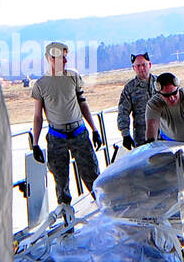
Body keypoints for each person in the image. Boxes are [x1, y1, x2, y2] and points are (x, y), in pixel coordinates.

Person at [30, 41, 102, 208]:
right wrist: (35, 144)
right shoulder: (41, 85)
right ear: (50, 59)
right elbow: (38, 117)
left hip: (79, 133)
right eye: (62, 57)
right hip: (57, 138)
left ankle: (104, 214)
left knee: (93, 177)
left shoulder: (73, 77)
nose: (65, 61)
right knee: (61, 183)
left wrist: (94, 129)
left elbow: (83, 103)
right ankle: (67, 222)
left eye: (65, 57)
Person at [145, 73, 184, 144]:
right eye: (166, 95)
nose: (171, 98)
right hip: (167, 141)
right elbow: (152, 125)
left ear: (178, 88)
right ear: (159, 94)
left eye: (174, 93)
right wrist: (150, 144)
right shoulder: (154, 104)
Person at [116, 52, 156, 150]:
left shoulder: (160, 83)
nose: (141, 68)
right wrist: (125, 134)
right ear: (133, 68)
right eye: (138, 66)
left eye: (144, 65)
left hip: (164, 133)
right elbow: (123, 112)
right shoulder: (130, 88)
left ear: (149, 65)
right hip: (142, 136)